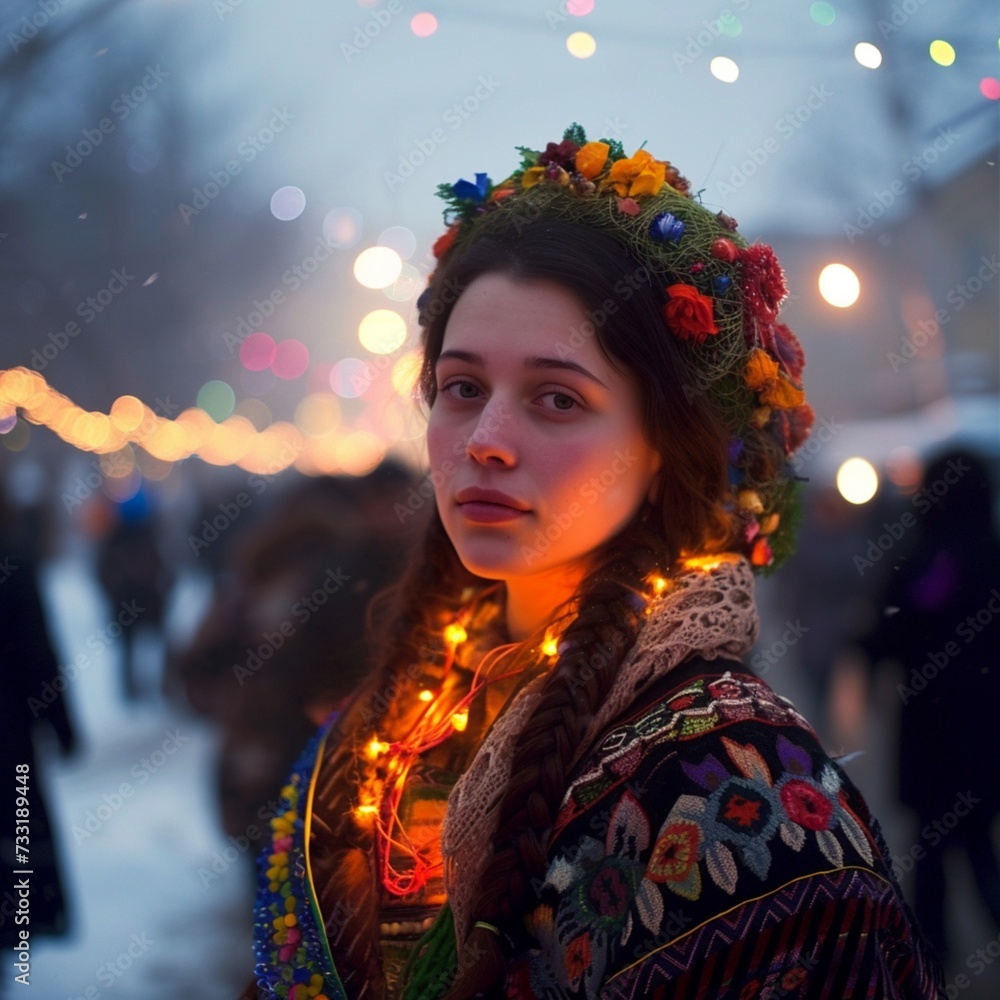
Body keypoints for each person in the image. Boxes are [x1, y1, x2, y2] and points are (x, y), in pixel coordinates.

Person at [247, 124, 943, 999]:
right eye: (463, 388)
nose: (488, 442)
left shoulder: (751, 800)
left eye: (557, 399)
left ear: (662, 447)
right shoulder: (410, 710)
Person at [862, 448, 1000, 967]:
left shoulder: (925, 556)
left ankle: (929, 966)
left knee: (932, 854)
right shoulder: (991, 553)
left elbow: (889, 633)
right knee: (980, 847)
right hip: (985, 734)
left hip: (932, 732)